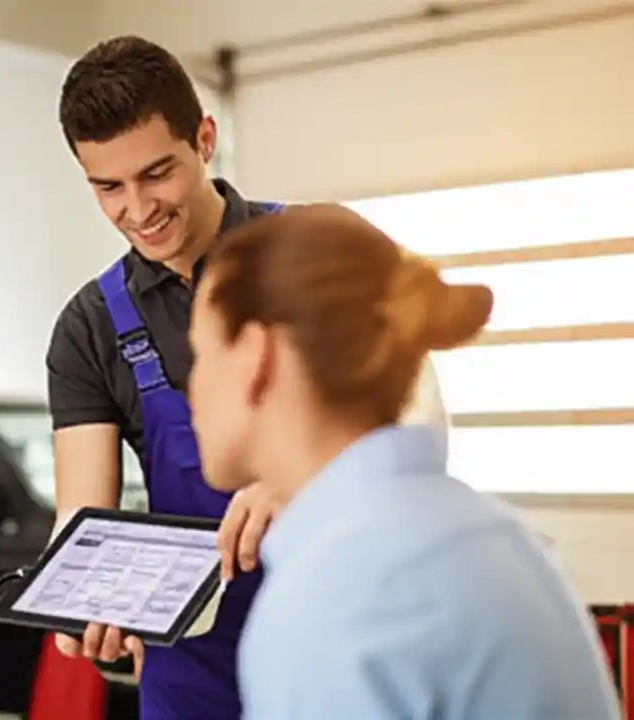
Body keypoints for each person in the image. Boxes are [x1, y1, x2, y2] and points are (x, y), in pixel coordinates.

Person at [45, 35, 449, 718]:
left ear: (204, 138)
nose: (138, 209)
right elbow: (80, 521)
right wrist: (79, 604)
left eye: (157, 173)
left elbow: (422, 423)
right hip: (193, 674)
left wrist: (309, 478)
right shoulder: (90, 326)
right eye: (108, 188)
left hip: (349, 646)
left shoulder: (322, 248)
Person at [185, 203, 621, 719]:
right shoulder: (494, 535)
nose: (192, 387)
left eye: (201, 354)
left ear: (256, 356)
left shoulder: (336, 600)